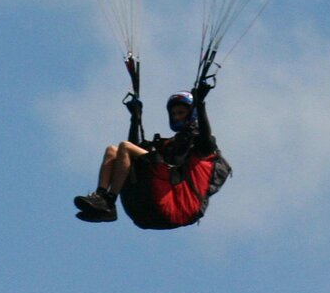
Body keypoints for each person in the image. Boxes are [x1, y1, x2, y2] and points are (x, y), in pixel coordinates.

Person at [73, 78, 229, 228]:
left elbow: (204, 139)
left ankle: (109, 202)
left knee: (125, 147)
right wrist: (135, 118)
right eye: (174, 114)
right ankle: (101, 197)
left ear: (191, 113)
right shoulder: (170, 143)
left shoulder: (201, 144)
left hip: (176, 203)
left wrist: (200, 104)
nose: (177, 117)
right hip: (152, 197)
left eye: (181, 112)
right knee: (113, 151)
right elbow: (133, 153)